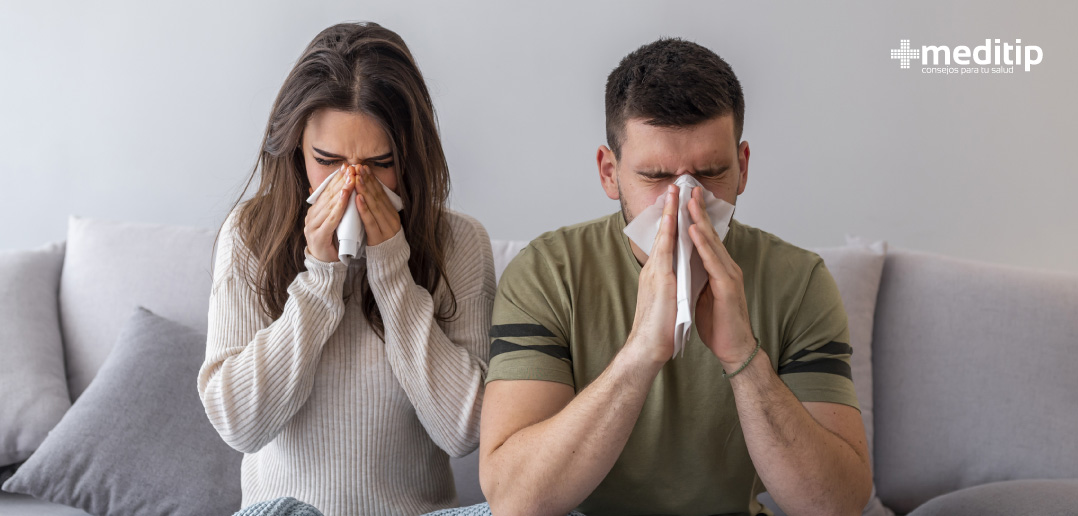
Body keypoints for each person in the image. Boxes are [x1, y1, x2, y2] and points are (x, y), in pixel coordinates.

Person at [477, 38, 872, 515]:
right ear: (609, 173)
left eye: (710, 172)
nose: (685, 200)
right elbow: (514, 501)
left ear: (743, 167)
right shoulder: (547, 273)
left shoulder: (799, 280)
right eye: (655, 176)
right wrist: (641, 353)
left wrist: (744, 358)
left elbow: (839, 506)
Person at [197, 22, 496, 516]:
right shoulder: (250, 233)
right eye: (328, 161)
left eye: (379, 163)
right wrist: (319, 277)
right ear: (296, 148)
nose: (354, 184)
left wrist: (394, 272)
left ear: (410, 159)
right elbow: (238, 424)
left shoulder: (460, 242)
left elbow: (463, 431)